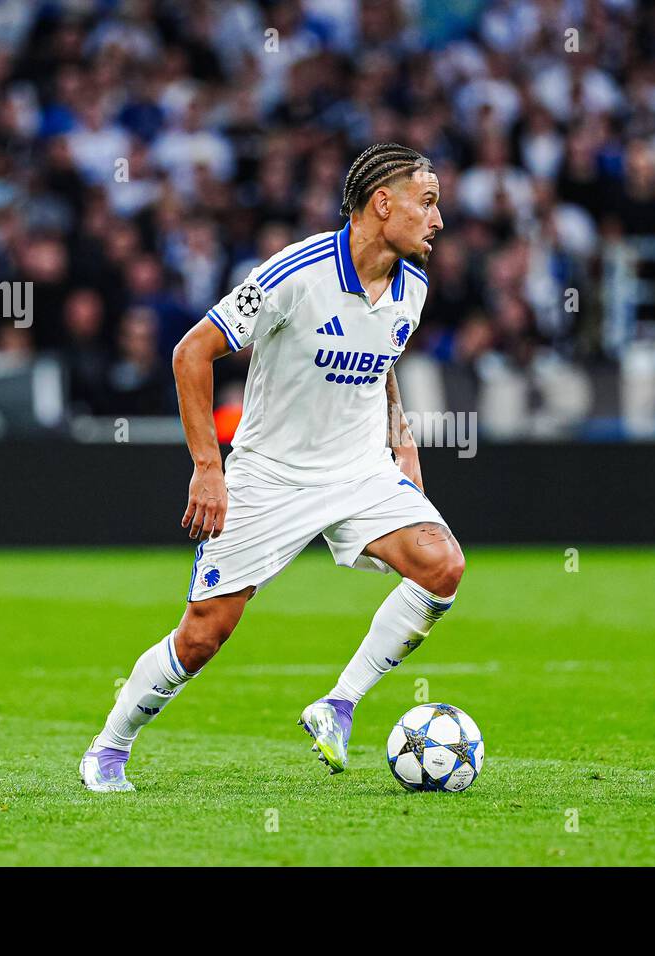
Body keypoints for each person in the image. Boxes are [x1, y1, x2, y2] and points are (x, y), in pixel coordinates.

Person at [80, 144, 466, 790]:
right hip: (268, 478)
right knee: (203, 637)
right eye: (427, 203)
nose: (438, 220)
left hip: (359, 474)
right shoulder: (298, 273)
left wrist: (405, 454)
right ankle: (109, 747)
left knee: (443, 566)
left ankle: (338, 704)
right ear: (382, 203)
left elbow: (385, 368)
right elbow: (189, 352)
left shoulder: (414, 287)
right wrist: (209, 465)